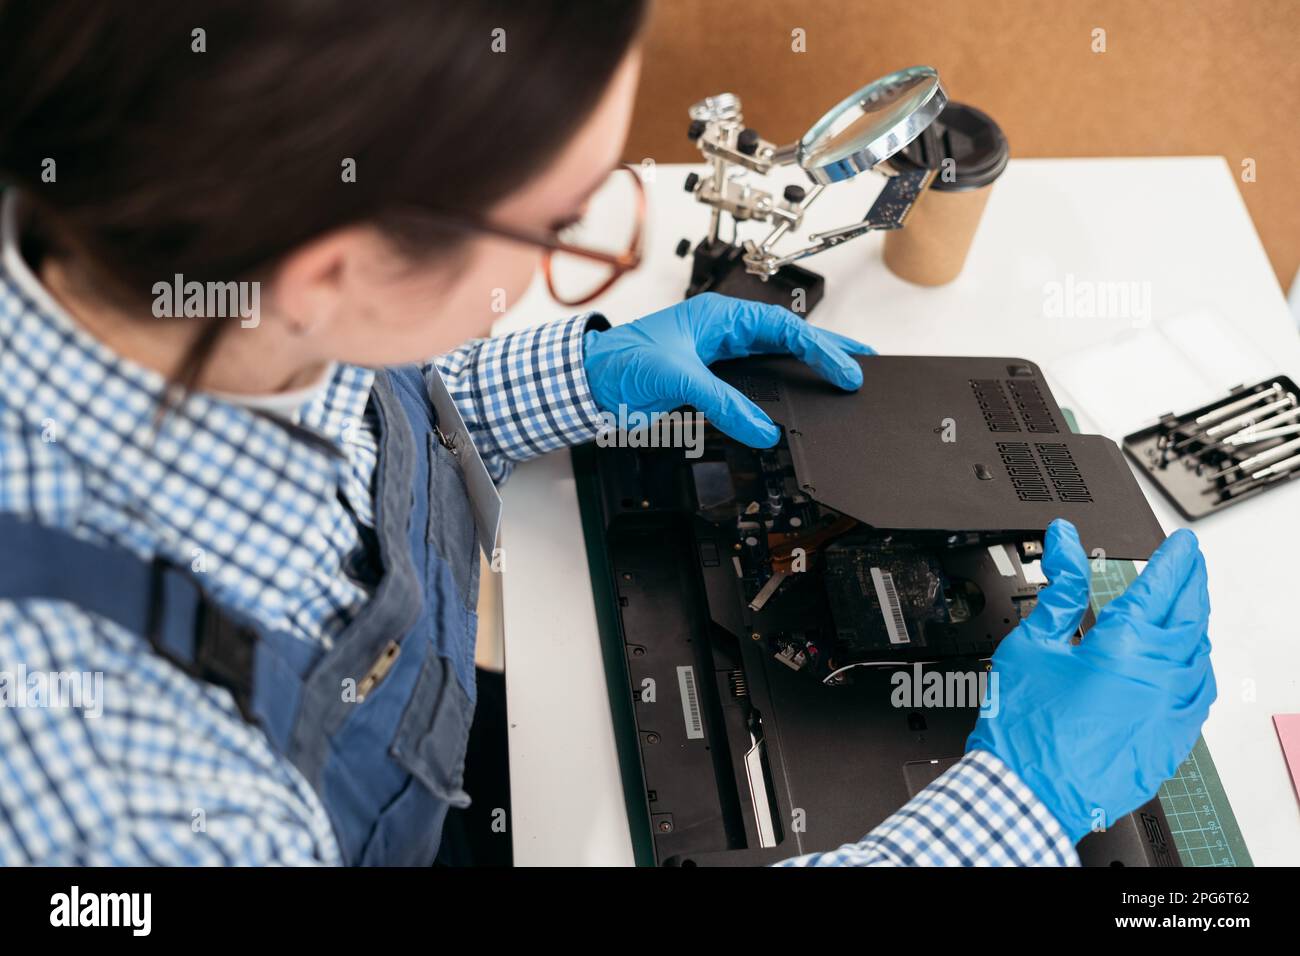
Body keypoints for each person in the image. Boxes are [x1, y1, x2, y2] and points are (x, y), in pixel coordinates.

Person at [0, 1, 1213, 867]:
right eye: (565, 226)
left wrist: (573, 372)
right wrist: (1018, 807)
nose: (603, 254)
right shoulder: (118, 801)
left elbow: (342, 387)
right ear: (338, 267)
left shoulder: (165, 259)